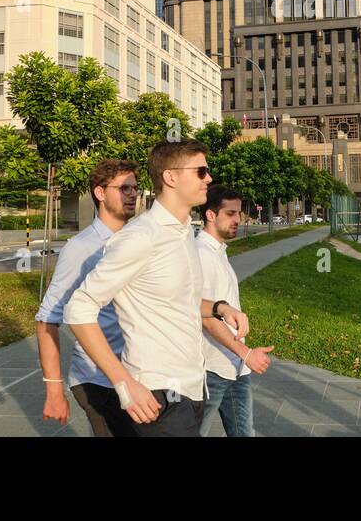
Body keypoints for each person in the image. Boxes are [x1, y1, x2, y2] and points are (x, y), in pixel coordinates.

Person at [64, 140, 251, 437]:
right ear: (171, 177)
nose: (209, 178)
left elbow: (178, 300)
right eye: (201, 171)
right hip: (157, 393)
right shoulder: (141, 237)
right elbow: (78, 308)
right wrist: (124, 384)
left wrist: (219, 308)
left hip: (193, 386)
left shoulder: (184, 233)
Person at [35, 158, 139, 437]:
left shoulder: (137, 240)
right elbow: (47, 320)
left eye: (135, 189)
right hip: (98, 380)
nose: (132, 195)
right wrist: (54, 389)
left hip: (136, 374)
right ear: (100, 193)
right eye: (124, 188)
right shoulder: (81, 248)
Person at [196, 186, 275, 437]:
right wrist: (246, 353)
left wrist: (243, 356)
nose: (238, 220)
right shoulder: (201, 254)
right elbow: (205, 317)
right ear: (210, 215)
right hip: (211, 369)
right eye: (230, 213)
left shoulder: (218, 251)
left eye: (239, 213)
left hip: (235, 366)